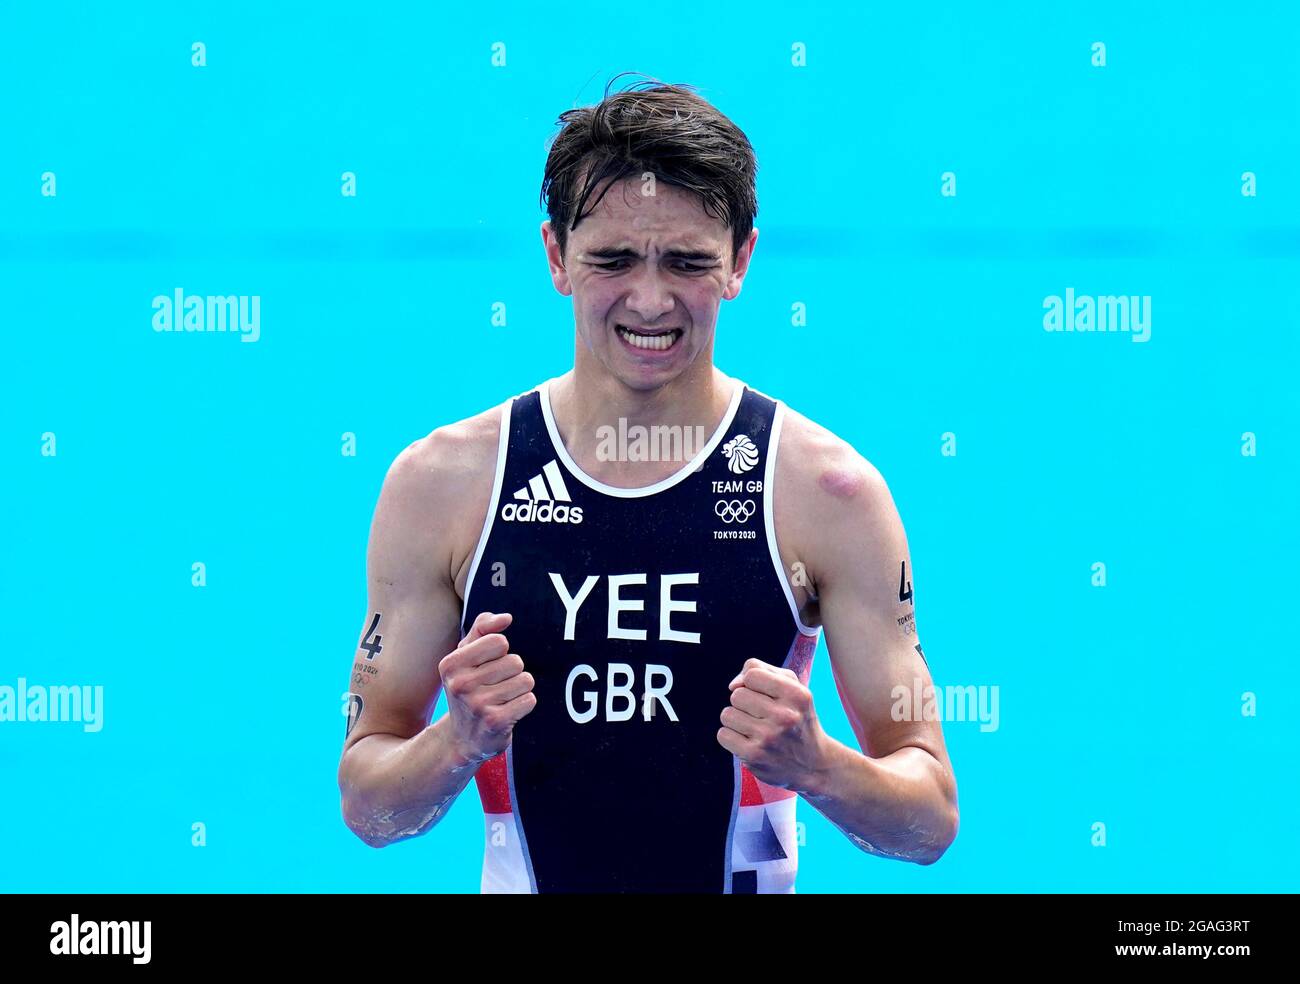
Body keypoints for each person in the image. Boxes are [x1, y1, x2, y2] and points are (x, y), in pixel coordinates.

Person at [337, 75, 958, 893]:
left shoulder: (826, 493)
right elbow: (369, 804)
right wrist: (456, 743)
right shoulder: (445, 484)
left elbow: (930, 818)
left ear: (741, 261)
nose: (651, 300)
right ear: (556, 256)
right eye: (614, 259)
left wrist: (818, 766)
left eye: (688, 262)